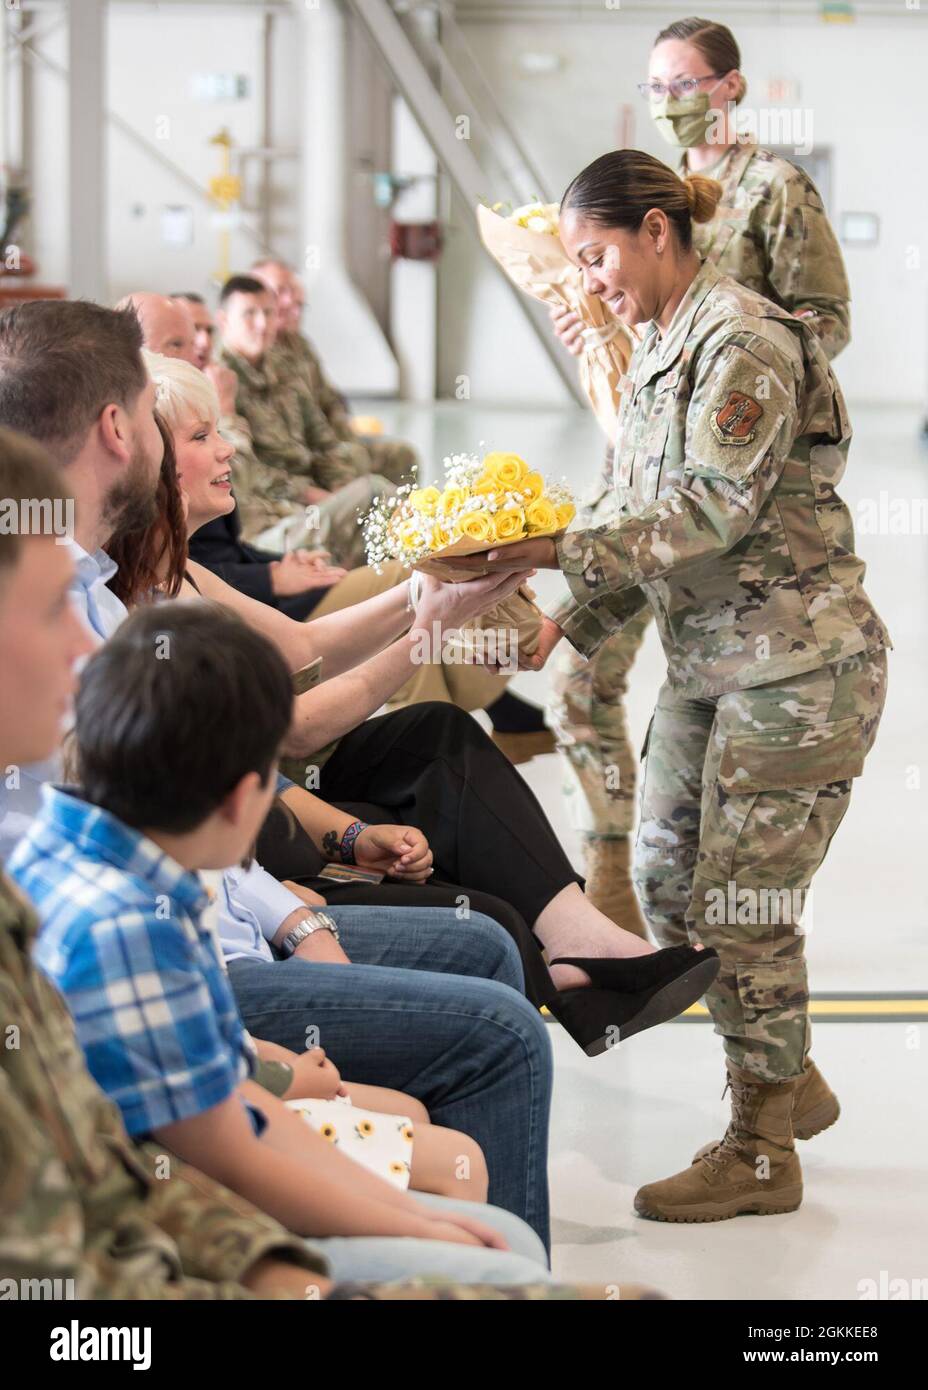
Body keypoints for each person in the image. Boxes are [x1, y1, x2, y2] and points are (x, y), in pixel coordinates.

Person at [445, 149, 889, 1222]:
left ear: (655, 231)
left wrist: (544, 547)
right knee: (665, 882)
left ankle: (758, 1146)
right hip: (709, 664)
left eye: (594, 255)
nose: (587, 279)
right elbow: (640, 522)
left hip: (796, 670)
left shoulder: (739, 340)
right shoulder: (656, 345)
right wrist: (564, 620)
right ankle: (785, 1074)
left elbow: (705, 515)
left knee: (741, 908)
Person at [11, 601, 566, 1286]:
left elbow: (243, 1110)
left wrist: (411, 1216)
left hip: (186, 1181)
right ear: (246, 801)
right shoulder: (132, 925)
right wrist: (415, 1224)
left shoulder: (75, 854)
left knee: (488, 1231)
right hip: (170, 1232)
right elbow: (232, 1147)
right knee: (504, 1256)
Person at [546, 14, 853, 937]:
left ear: (730, 86)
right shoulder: (646, 209)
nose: (670, 104)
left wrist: (733, 362)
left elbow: (821, 327)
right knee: (574, 673)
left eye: (684, 85)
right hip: (648, 478)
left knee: (738, 900)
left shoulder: (775, 191)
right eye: (656, 90)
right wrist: (614, 334)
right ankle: (611, 864)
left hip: (728, 491)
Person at [217, 274, 392, 569]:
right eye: (249, 314)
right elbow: (249, 473)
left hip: (309, 500)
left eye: (268, 313)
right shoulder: (219, 383)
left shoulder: (283, 369)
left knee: (373, 496)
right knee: (374, 493)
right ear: (224, 321)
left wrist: (341, 487)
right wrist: (320, 497)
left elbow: (323, 438)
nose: (262, 324)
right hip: (271, 518)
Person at [252, 257, 419, 487]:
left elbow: (330, 400)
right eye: (280, 291)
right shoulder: (256, 355)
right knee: (352, 468)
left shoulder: (300, 345)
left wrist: (344, 438)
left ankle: (402, 520)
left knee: (401, 456)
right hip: (299, 456)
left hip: (327, 441)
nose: (290, 302)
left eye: (297, 298)